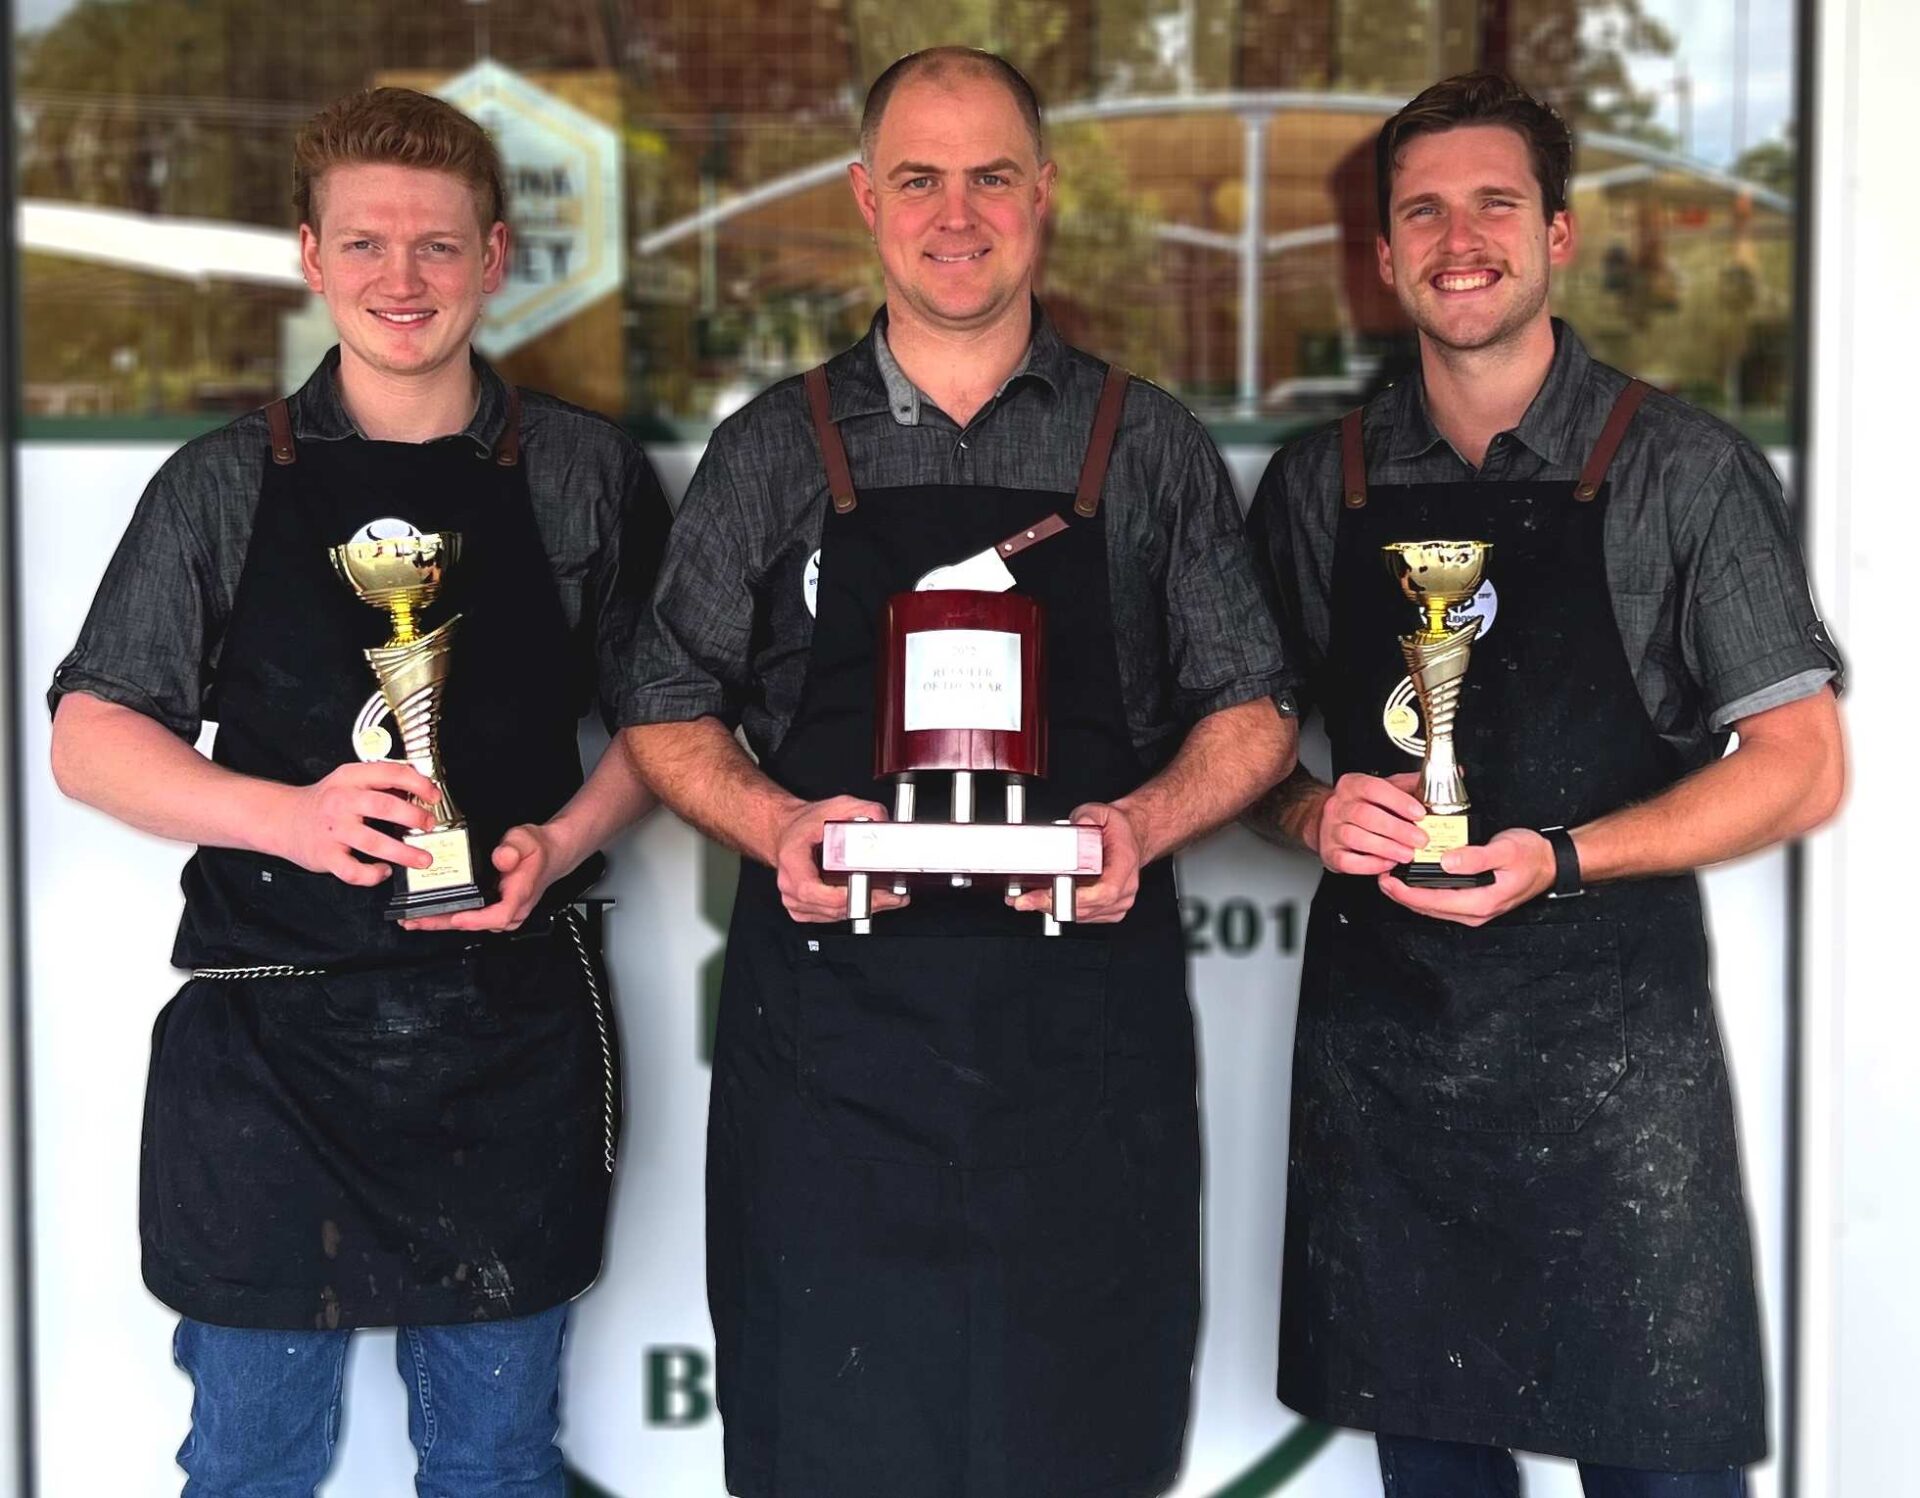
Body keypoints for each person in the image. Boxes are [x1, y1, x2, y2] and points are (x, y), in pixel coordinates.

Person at [621, 47, 1295, 1498]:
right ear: (866, 200)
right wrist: (776, 818)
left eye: (992, 174)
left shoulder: (1149, 444)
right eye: (918, 177)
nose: (957, 211)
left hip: (1079, 1070)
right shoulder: (771, 452)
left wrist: (1145, 818)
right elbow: (663, 707)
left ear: (1043, 196)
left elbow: (1256, 710)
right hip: (831, 1075)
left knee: (1078, 1442)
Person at [48, 87, 668, 1496]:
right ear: (309, 256)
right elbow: (89, 736)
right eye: (368, 244)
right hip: (268, 1048)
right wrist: (293, 814)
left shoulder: (578, 476)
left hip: (507, 1040)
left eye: (439, 247)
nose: (404, 279)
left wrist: (559, 840)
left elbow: (671, 726)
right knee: (251, 1464)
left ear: (496, 258)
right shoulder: (221, 483)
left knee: (498, 1465)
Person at [1244, 73, 1846, 1497]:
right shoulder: (1312, 484)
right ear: (1384, 255)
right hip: (1387, 1083)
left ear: (1560, 234)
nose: (1462, 239)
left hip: (1616, 1087)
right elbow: (1244, 748)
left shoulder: (1682, 470)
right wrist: (1307, 812)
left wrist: (1563, 857)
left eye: (1495, 204)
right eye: (1424, 213)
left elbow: (1804, 766)